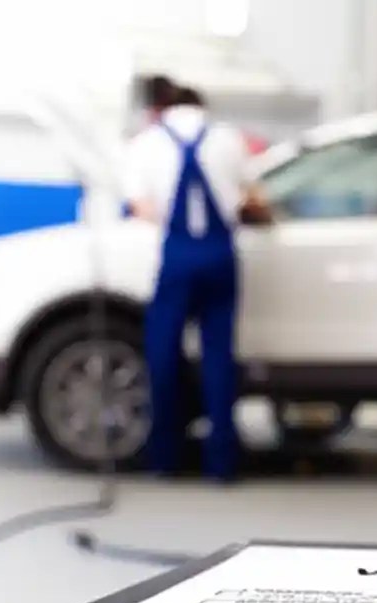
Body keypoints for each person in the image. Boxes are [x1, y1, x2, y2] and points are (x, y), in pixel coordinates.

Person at [123, 85, 267, 482]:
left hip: (178, 256)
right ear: (200, 106)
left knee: (163, 354)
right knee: (219, 356)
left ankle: (166, 457)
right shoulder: (229, 138)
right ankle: (222, 462)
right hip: (221, 256)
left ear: (159, 109)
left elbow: (142, 209)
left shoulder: (146, 143)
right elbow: (251, 198)